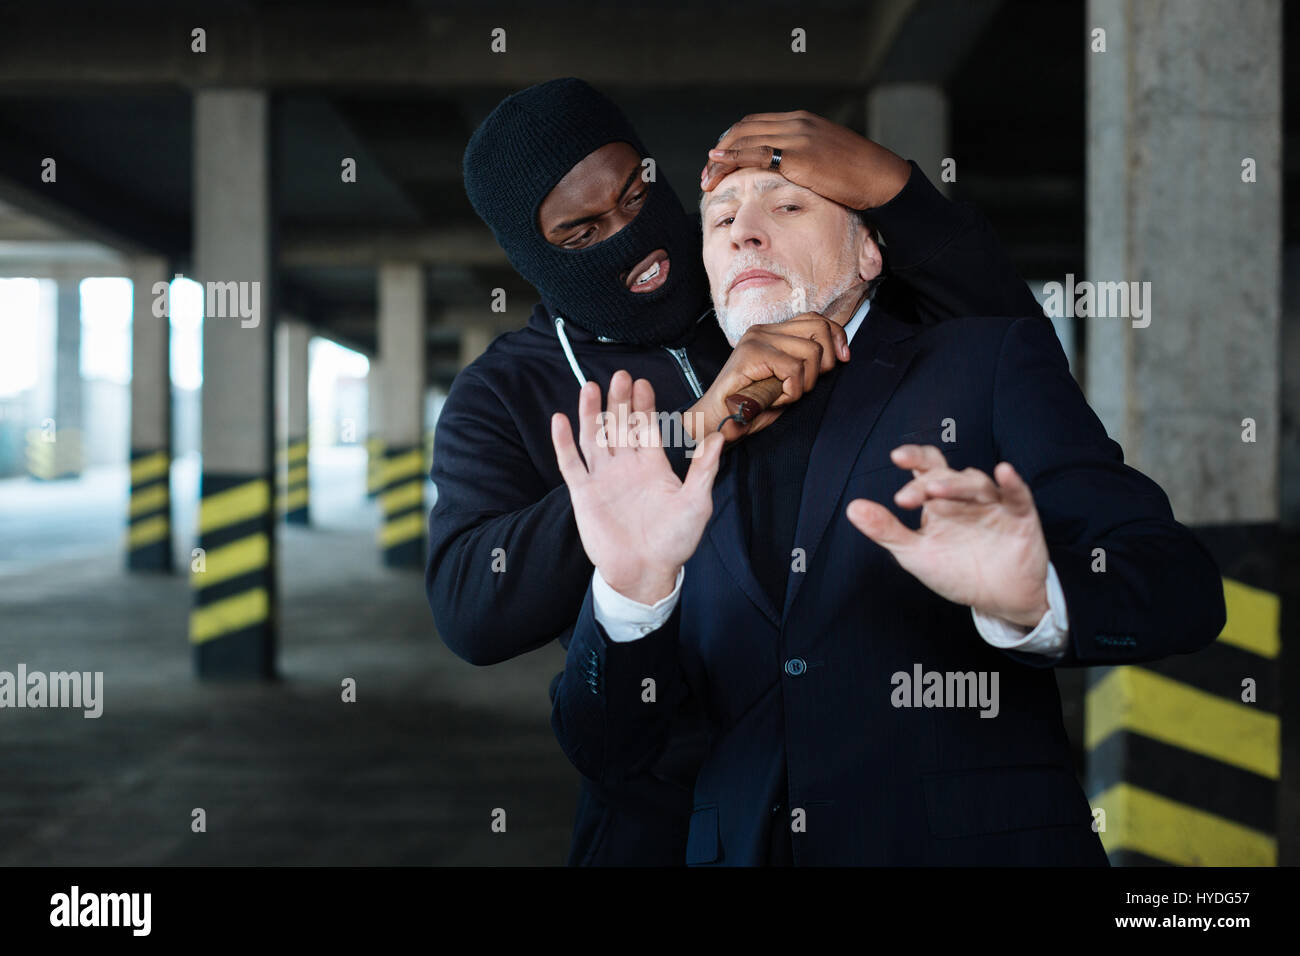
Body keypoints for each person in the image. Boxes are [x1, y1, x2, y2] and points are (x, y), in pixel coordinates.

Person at [428, 78, 1053, 865]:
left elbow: (1005, 350)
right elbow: (467, 608)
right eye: (583, 232)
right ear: (529, 256)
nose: (634, 240)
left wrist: (894, 191)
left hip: (871, 786)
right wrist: (687, 434)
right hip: (664, 809)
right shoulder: (505, 390)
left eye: (634, 195)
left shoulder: (774, 278)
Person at [547, 161, 1227, 865]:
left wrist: (1040, 596)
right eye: (721, 221)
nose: (744, 233)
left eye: (785, 208)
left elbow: (1182, 587)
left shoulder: (984, 362)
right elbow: (606, 751)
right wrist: (630, 595)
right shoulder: (677, 449)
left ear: (871, 251)